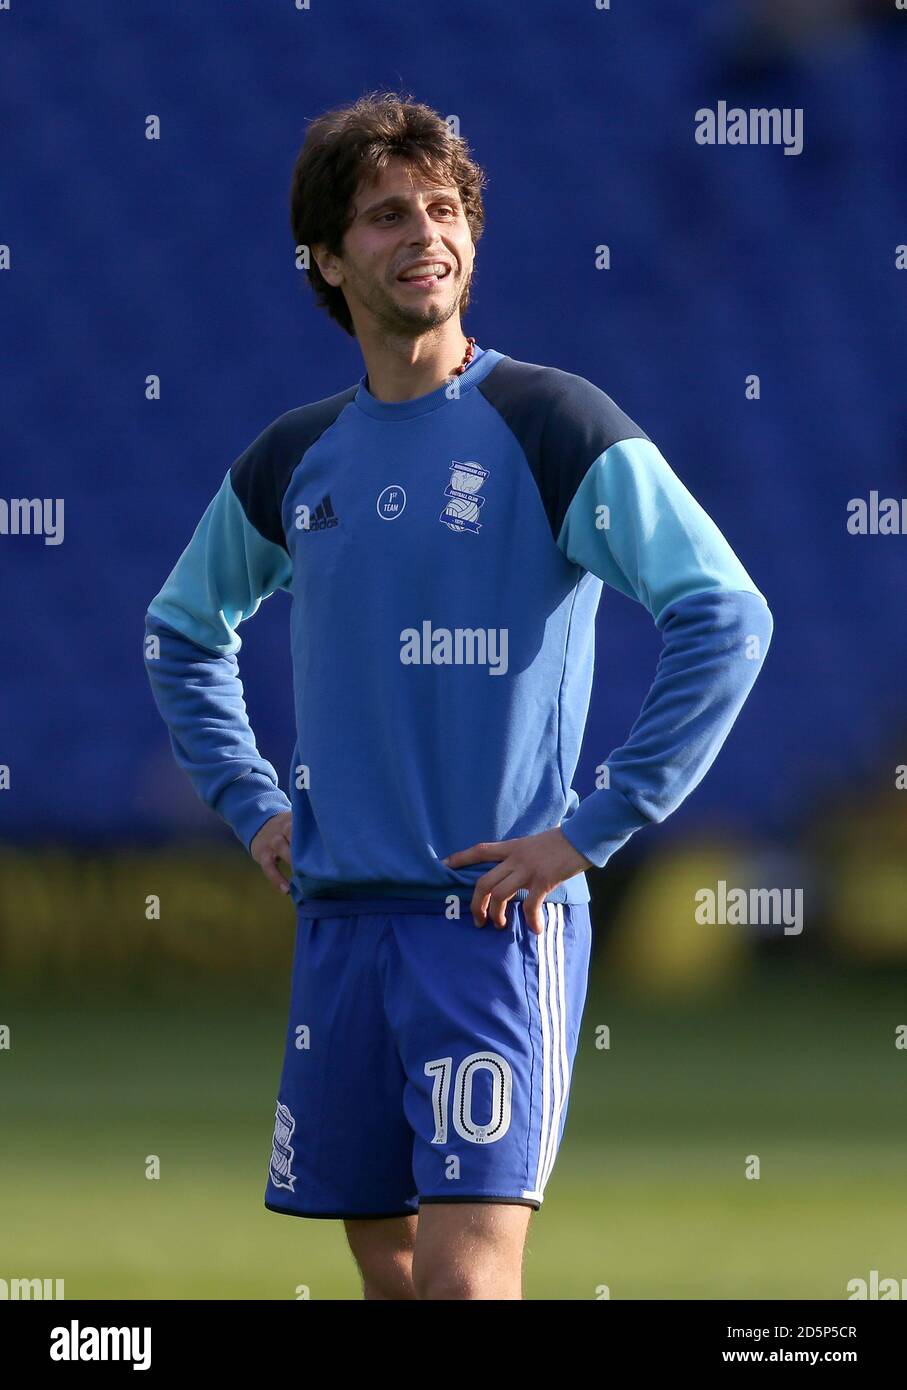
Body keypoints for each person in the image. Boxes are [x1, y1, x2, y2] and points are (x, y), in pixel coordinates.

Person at [143, 90, 773, 1300]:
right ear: (328, 260)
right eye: (385, 216)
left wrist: (592, 829)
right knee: (390, 1273)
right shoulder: (296, 456)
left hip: (485, 927)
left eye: (443, 209)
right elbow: (182, 630)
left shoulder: (549, 422)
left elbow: (724, 613)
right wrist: (250, 802)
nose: (422, 233)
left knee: (464, 1284)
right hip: (338, 928)